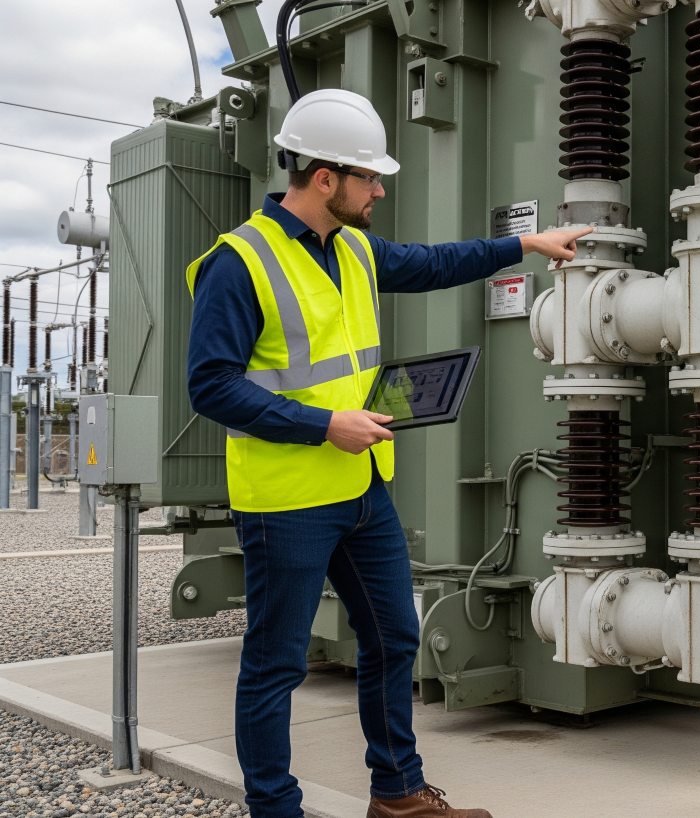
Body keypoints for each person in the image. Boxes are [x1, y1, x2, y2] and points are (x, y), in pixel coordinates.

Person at [185, 88, 591, 818]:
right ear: (323, 177)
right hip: (286, 501)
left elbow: (431, 263)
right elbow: (209, 387)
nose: (379, 190)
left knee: (394, 637)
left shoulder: (354, 248)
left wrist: (526, 245)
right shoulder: (238, 263)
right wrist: (323, 426)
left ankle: (398, 794)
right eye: (369, 178)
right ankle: (275, 810)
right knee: (275, 666)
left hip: (361, 488)